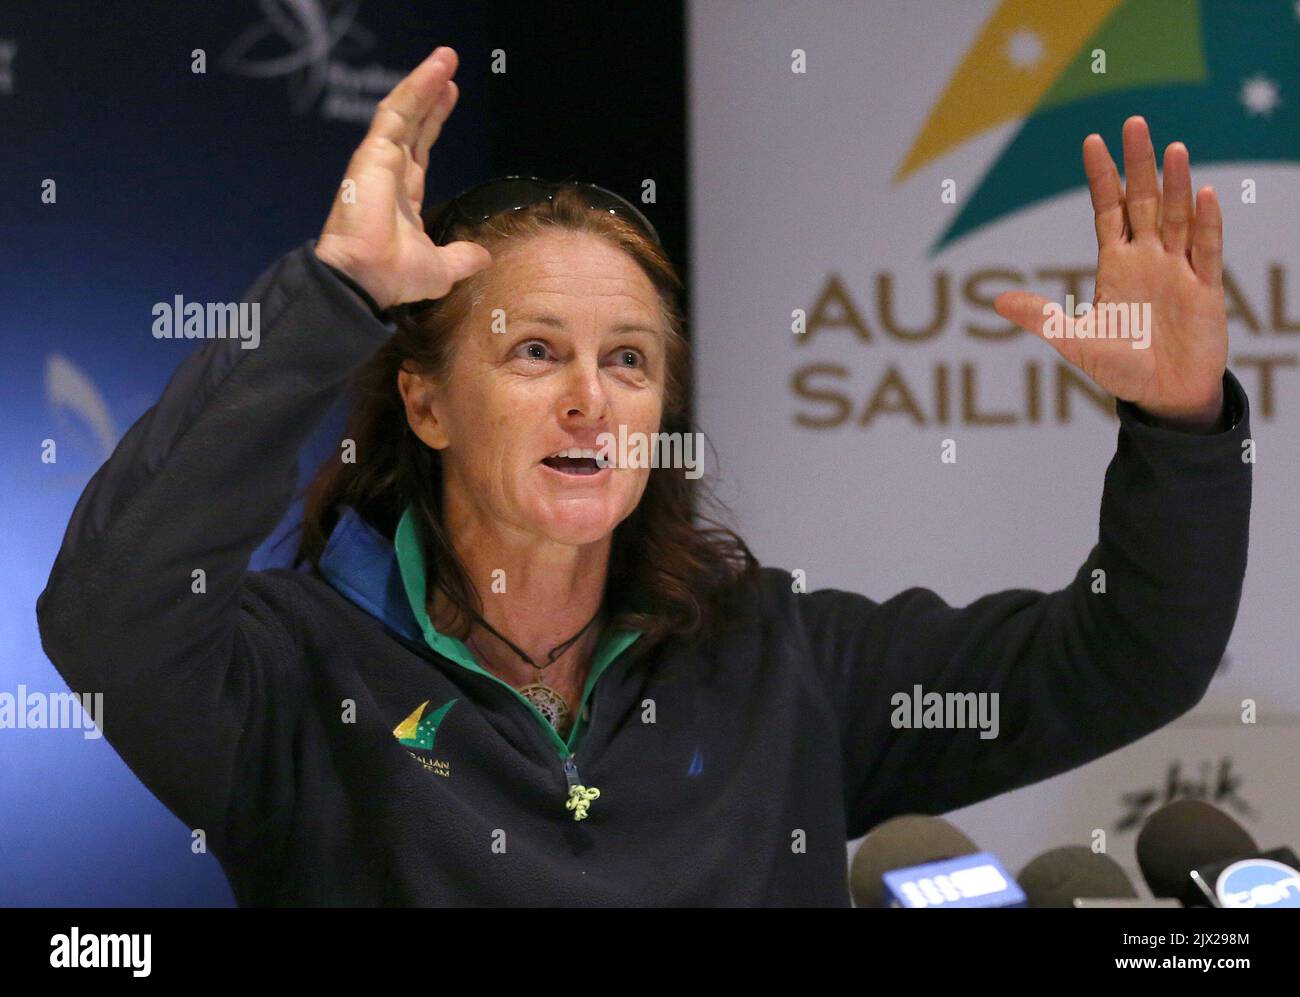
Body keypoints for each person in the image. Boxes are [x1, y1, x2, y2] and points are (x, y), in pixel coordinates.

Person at [37, 46, 1251, 906]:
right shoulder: (294, 672)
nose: (589, 397)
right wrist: (333, 297)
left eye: (627, 359)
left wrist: (1181, 418)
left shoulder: (778, 658)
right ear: (426, 402)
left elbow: (1126, 656)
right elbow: (104, 611)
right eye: (531, 352)